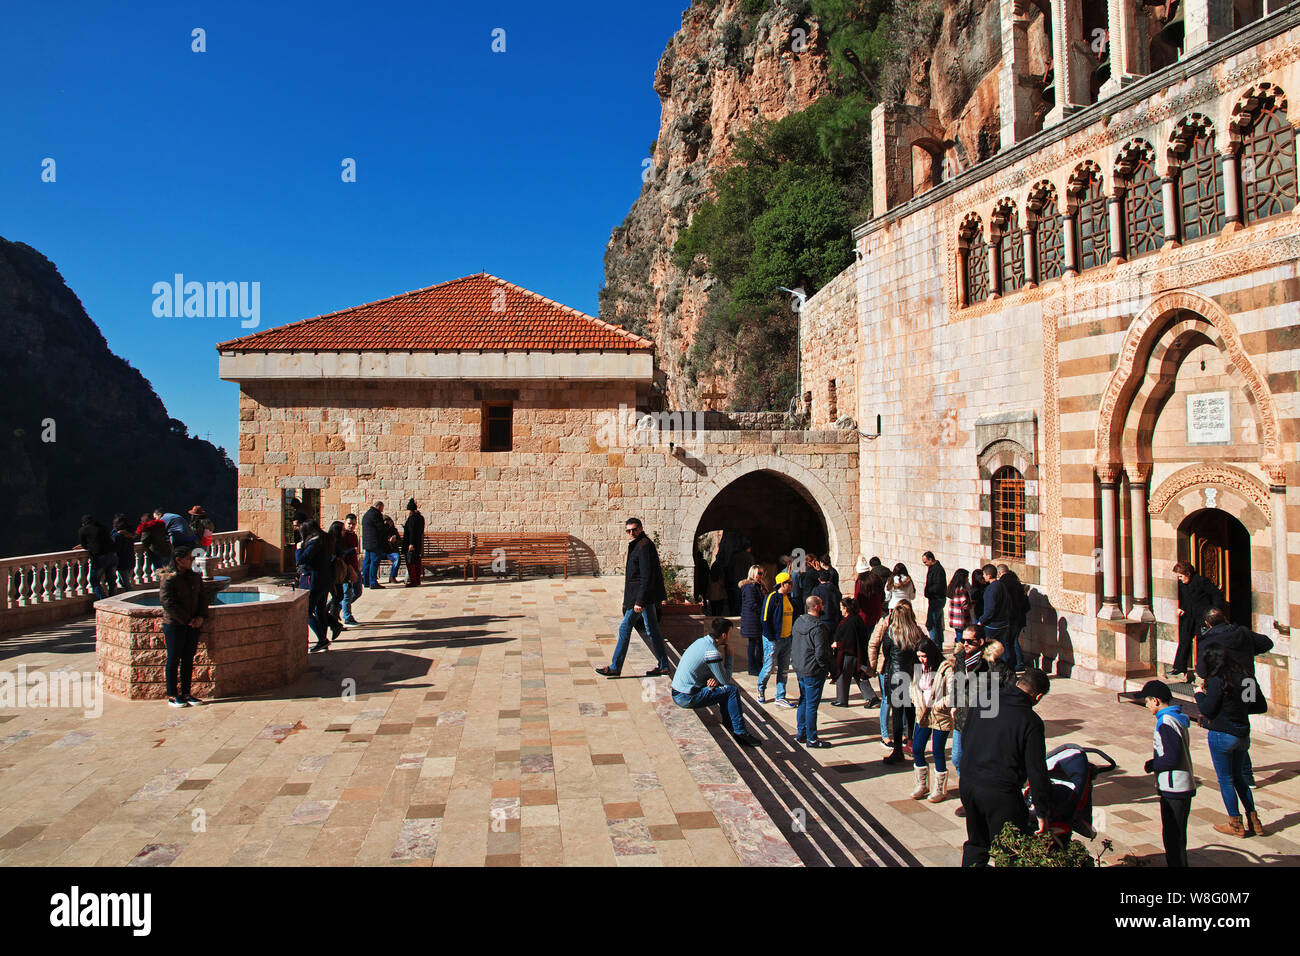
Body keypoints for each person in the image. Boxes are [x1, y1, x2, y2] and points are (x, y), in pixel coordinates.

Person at [958, 668, 1054, 867]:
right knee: (1009, 850)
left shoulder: (986, 700)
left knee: (976, 844)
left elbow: (965, 739)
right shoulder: (1030, 721)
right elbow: (1036, 770)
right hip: (1000, 792)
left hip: (969, 783)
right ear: (1038, 696)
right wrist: (1042, 812)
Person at [1195, 646, 1264, 837]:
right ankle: (1254, 821)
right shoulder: (1247, 678)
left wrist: (1199, 695)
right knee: (1240, 777)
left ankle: (1235, 824)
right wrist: (1237, 710)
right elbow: (1257, 705)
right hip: (1242, 734)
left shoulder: (1219, 681)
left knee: (1226, 780)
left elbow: (1207, 709)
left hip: (1222, 733)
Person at [596, 518, 672, 678]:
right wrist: (628, 598)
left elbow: (645, 576)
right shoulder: (639, 544)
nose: (631, 533)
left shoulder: (643, 546)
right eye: (628, 531)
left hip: (641, 597)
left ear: (641, 528)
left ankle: (615, 667)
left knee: (625, 628)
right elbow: (632, 576)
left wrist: (638, 602)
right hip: (642, 596)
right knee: (652, 630)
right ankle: (664, 665)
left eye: (634, 529)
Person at [671, 619, 761, 747]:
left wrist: (713, 679)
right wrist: (729, 656)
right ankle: (740, 732)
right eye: (730, 633)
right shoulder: (712, 652)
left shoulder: (701, 642)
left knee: (723, 690)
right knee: (731, 690)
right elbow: (726, 680)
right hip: (686, 697)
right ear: (724, 635)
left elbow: (706, 670)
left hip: (679, 691)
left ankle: (729, 723)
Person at [1140, 679, 1195, 867]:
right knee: (1177, 835)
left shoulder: (1165, 722)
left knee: (1173, 837)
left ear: (1155, 701)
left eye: (1146, 701)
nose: (1145, 705)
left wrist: (1153, 765)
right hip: (1182, 784)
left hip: (1174, 787)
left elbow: (1172, 757)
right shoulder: (1175, 719)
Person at [158, 545, 209, 707]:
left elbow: (202, 596)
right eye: (189, 558)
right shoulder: (169, 578)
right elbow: (168, 602)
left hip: (193, 623)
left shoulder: (194, 576)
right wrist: (187, 619)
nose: (192, 561)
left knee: (188, 658)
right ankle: (173, 695)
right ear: (179, 560)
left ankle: (187, 693)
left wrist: (200, 616)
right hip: (175, 624)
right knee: (174, 659)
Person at [876, 601, 924, 764]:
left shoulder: (891, 633)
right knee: (911, 711)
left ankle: (897, 749)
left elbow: (886, 652)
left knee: (897, 714)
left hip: (896, 676)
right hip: (912, 675)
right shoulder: (916, 632)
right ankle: (910, 741)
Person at [910, 638, 955, 802]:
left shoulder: (946, 669)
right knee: (917, 748)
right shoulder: (918, 668)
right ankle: (922, 784)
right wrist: (916, 700)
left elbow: (953, 695)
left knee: (937, 751)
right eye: (919, 656)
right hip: (922, 714)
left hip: (939, 715)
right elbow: (913, 687)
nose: (921, 660)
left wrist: (939, 705)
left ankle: (939, 789)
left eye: (924, 656)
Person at [791, 595, 833, 748]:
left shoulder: (798, 621)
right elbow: (820, 653)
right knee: (811, 705)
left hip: (800, 667)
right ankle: (812, 739)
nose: (823, 606)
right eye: (821, 604)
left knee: (803, 700)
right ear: (816, 607)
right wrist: (825, 667)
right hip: (813, 670)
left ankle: (801, 733)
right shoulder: (818, 628)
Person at [1171, 561, 1225, 679]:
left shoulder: (1201, 581)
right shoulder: (1183, 584)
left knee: (1202, 641)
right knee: (1184, 639)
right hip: (1189, 616)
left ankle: (1203, 668)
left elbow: (1216, 594)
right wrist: (1181, 608)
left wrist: (1213, 612)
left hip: (1202, 616)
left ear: (1188, 573)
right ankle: (1179, 666)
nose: (1180, 579)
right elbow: (1184, 599)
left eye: (1181, 576)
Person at [296, 519, 338, 652]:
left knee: (307, 611)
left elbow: (301, 559)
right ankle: (323, 639)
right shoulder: (326, 540)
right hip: (325, 580)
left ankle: (322, 639)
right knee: (320, 610)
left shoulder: (314, 543)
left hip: (314, 581)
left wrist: (298, 549)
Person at [758, 571, 796, 707]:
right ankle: (761, 689)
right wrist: (771, 637)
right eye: (790, 583)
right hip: (773, 640)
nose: (792, 585)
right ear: (783, 584)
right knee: (768, 667)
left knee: (784, 669)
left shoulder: (788, 598)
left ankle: (780, 696)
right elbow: (764, 618)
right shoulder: (772, 597)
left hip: (786, 639)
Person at [831, 596, 877, 708]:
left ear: (846, 608)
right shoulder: (856, 619)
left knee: (843, 675)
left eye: (842, 607)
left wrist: (838, 644)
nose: (840, 609)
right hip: (857, 654)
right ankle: (872, 697)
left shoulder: (850, 622)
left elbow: (850, 640)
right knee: (859, 676)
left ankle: (842, 700)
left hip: (849, 654)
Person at [77, 514, 118, 599]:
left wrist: (90, 545)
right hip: (113, 555)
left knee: (94, 581)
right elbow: (110, 539)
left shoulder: (83, 530)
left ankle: (104, 601)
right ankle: (115, 600)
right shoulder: (103, 527)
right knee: (111, 580)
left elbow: (84, 545)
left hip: (100, 557)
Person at [738, 565, 768, 676]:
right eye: (758, 573)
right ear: (753, 573)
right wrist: (763, 612)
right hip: (752, 619)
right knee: (753, 644)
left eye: (761, 573)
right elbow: (752, 604)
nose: (760, 575)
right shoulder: (749, 587)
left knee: (759, 644)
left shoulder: (758, 585)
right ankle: (753, 667)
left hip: (757, 619)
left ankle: (759, 665)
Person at [999, 566, 1030, 671]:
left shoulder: (1002, 584)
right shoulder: (1017, 584)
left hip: (1009, 618)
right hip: (1019, 617)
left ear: (999, 573)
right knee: (1014, 640)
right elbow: (1026, 605)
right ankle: (1019, 662)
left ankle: (1012, 663)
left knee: (1009, 641)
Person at [977, 562, 1011, 649]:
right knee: (1001, 649)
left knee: (990, 650)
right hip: (1004, 623)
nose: (983, 577)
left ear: (989, 576)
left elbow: (990, 610)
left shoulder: (991, 589)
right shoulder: (1002, 585)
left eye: (984, 574)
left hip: (993, 626)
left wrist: (981, 621)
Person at [338, 513, 362, 626]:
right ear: (345, 523)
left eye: (353, 524)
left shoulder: (354, 536)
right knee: (347, 593)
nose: (351, 526)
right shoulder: (343, 536)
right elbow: (343, 554)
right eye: (349, 523)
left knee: (357, 592)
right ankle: (347, 617)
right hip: (347, 568)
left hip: (355, 567)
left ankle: (336, 606)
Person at [921, 551, 947, 645]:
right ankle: (939, 645)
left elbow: (938, 586)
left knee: (931, 624)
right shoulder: (933, 568)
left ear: (930, 559)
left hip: (937, 599)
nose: (925, 564)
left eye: (925, 562)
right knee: (937, 623)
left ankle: (935, 645)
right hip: (936, 599)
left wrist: (928, 591)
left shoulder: (937, 570)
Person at [360, 500, 386, 589]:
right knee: (374, 562)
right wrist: (386, 525)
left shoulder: (367, 514)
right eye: (382, 508)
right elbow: (380, 528)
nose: (382, 510)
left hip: (367, 543)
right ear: (378, 506)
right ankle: (373, 582)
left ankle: (366, 581)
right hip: (375, 543)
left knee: (367, 561)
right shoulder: (376, 514)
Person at [110, 514, 138, 590]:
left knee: (126, 582)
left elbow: (116, 547)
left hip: (121, 560)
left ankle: (130, 594)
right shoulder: (130, 534)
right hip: (130, 558)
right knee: (123, 579)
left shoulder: (117, 535)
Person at [947, 568, 972, 648]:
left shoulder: (952, 588)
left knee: (958, 635)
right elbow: (964, 604)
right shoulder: (962, 590)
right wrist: (971, 604)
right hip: (960, 618)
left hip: (954, 617)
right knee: (961, 638)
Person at [402, 499, 425, 587]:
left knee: (411, 562)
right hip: (418, 543)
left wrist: (411, 544)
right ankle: (417, 580)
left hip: (411, 543)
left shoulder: (412, 518)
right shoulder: (421, 518)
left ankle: (414, 581)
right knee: (417, 562)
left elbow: (411, 531)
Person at [382, 515, 404, 583]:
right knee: (374, 558)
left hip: (391, 552)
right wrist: (388, 541)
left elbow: (400, 542)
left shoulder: (394, 531)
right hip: (382, 551)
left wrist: (395, 541)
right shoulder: (381, 531)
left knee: (397, 557)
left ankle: (392, 577)